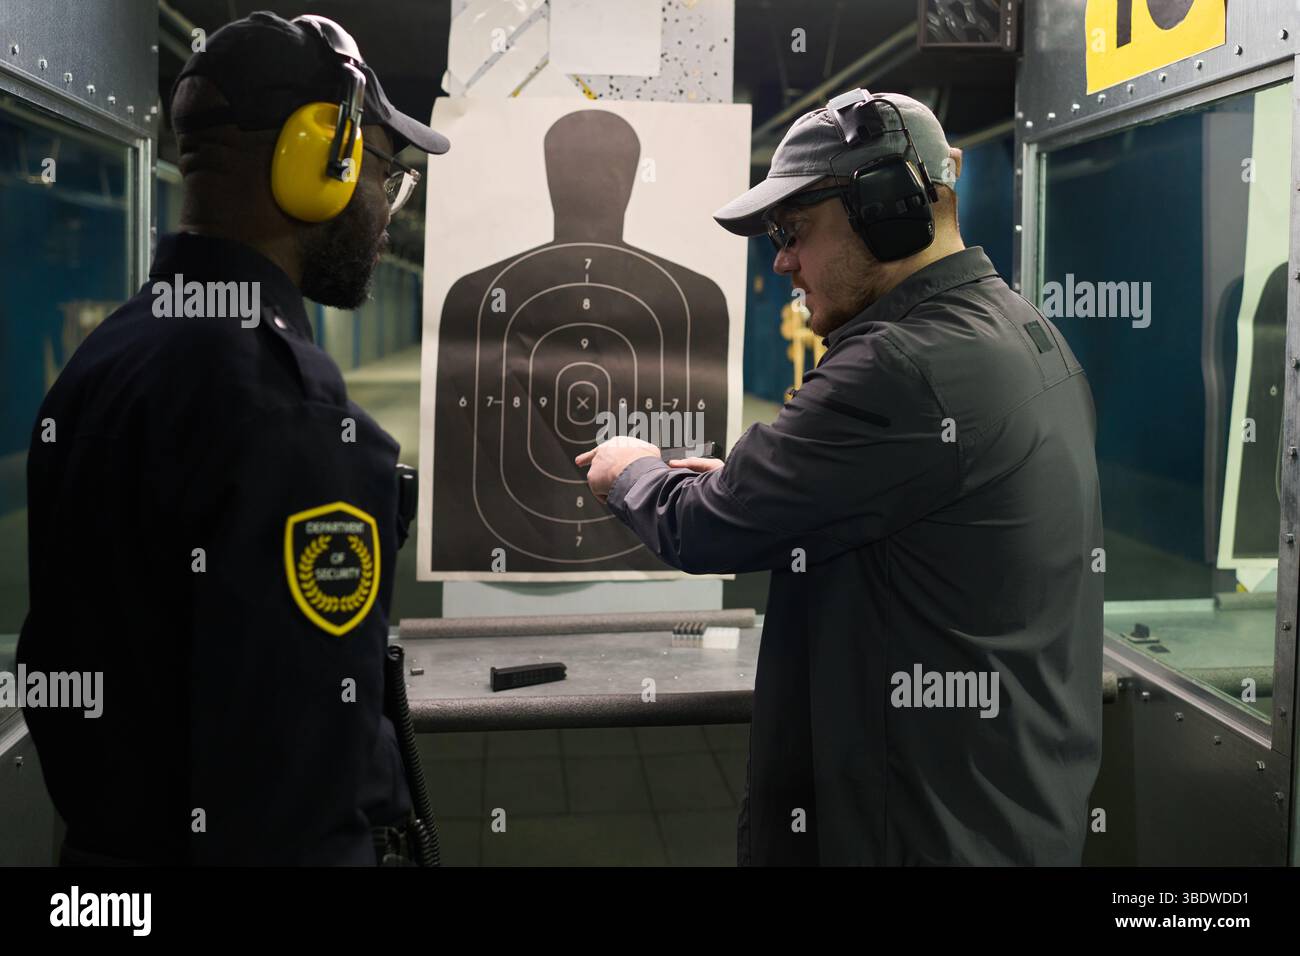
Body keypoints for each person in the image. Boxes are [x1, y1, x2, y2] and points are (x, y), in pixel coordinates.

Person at [577, 89, 1103, 865]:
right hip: (1005, 809)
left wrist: (633, 472)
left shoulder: (896, 363)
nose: (782, 258)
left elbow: (703, 525)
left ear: (885, 208)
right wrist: (779, 484)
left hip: (911, 830)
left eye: (795, 231)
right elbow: (916, 505)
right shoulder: (1024, 330)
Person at [17, 12, 449, 865]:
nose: (384, 211)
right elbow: (296, 800)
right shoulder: (287, 415)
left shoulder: (104, 363)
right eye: (377, 172)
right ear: (316, 160)